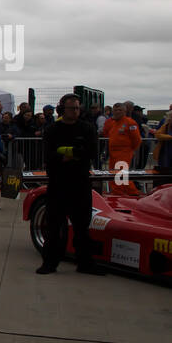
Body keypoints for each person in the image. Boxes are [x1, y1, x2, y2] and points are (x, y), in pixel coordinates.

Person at [38, 94, 103, 275]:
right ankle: (50, 263)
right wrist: (67, 155)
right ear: (62, 109)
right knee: (54, 226)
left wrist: (70, 153)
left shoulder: (87, 128)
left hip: (80, 183)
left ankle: (85, 263)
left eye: (77, 108)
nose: (75, 111)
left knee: (82, 226)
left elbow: (91, 151)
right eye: (71, 108)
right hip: (58, 183)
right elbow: (49, 155)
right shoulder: (52, 130)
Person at [101, 103, 141, 196]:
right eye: (115, 110)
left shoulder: (130, 122)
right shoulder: (113, 123)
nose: (117, 112)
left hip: (124, 153)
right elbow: (106, 133)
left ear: (125, 111)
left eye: (120, 110)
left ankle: (133, 193)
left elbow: (137, 139)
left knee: (121, 175)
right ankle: (117, 193)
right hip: (113, 153)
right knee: (115, 175)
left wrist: (130, 150)